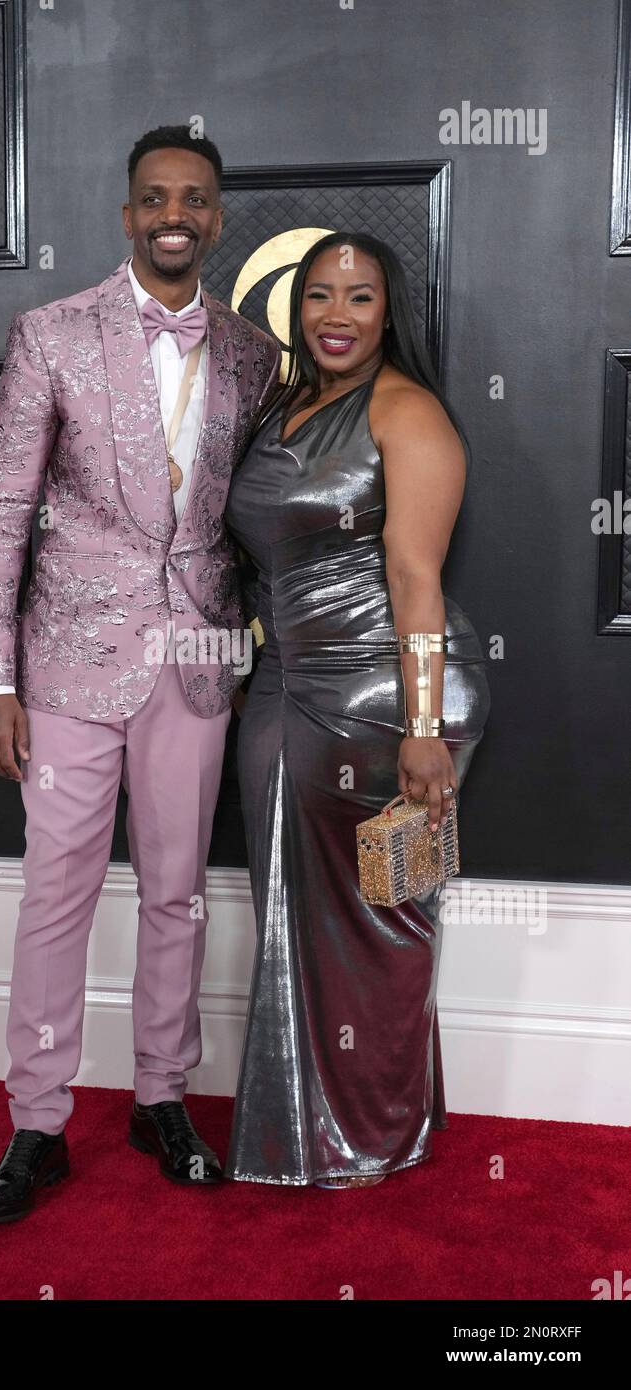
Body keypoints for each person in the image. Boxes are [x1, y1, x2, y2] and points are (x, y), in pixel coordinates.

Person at [0, 125, 280, 1222]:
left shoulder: (250, 352)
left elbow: (245, 513)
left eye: (193, 198)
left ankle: (160, 1097)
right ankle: (38, 1122)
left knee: (177, 894)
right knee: (55, 895)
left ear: (218, 218)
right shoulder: (51, 335)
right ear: (127, 212)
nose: (174, 214)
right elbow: (0, 512)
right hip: (64, 663)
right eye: (154, 197)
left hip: (196, 658)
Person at [223, 231, 491, 1188]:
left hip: (388, 689)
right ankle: (310, 1124)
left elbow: (418, 580)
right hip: (286, 691)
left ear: (390, 313)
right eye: (320, 296)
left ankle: (376, 1131)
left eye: (361, 298)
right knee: (292, 910)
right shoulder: (288, 405)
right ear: (297, 307)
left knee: (382, 917)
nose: (336, 315)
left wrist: (423, 729)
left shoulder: (407, 413)